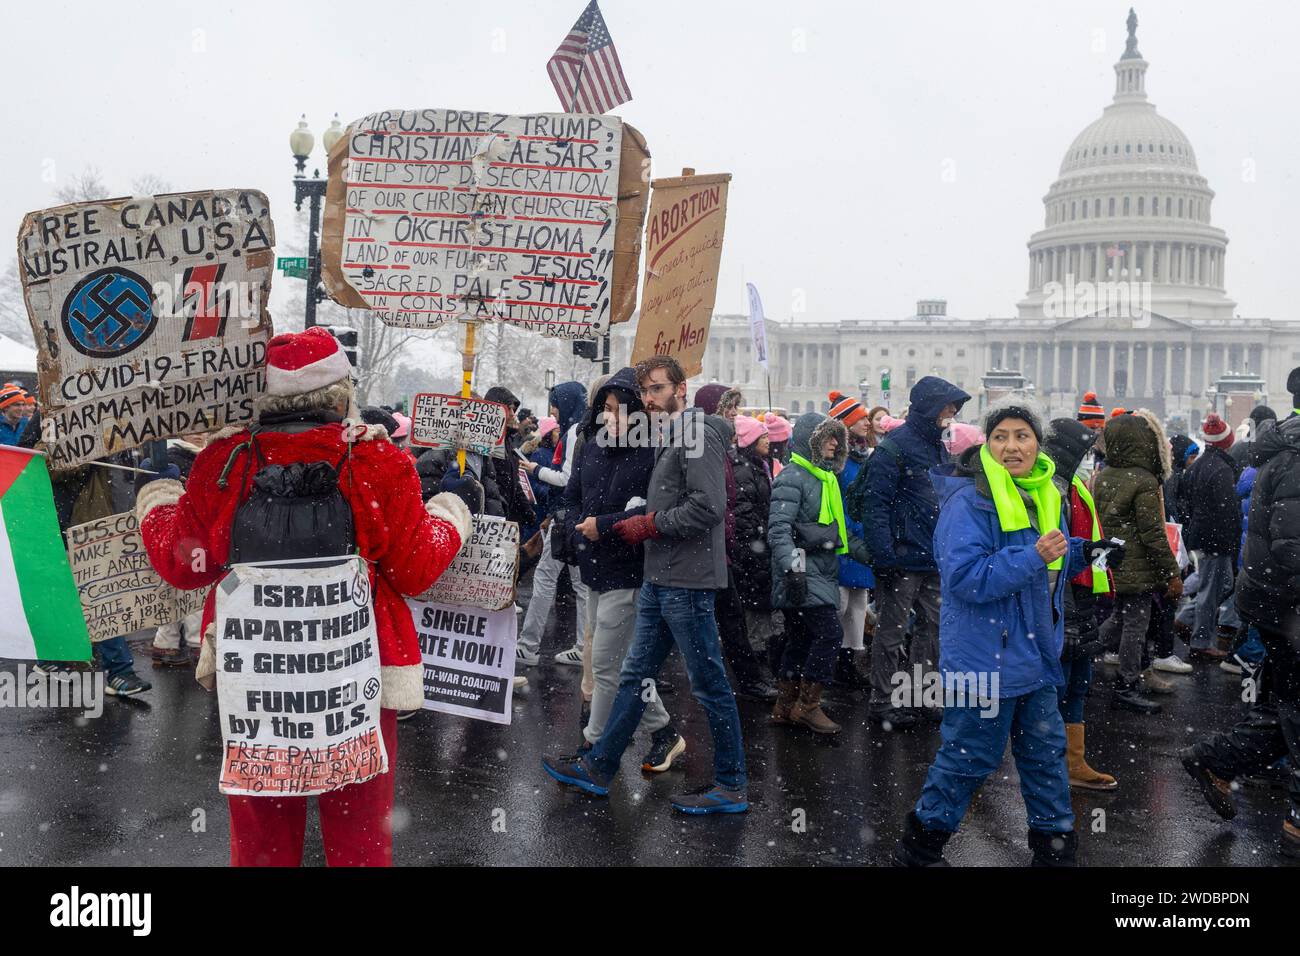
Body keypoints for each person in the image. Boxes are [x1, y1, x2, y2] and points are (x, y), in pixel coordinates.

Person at [136, 326, 472, 866]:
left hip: (255, 674)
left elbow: (182, 563)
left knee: (263, 830)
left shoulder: (225, 462)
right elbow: (414, 570)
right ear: (341, 393)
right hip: (358, 668)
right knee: (359, 826)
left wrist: (156, 502)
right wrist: (451, 517)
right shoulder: (377, 462)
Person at [542, 355, 748, 815]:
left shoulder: (697, 432)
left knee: (709, 682)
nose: (651, 399)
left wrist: (646, 525)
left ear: (681, 387)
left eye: (658, 389)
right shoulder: (667, 435)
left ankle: (732, 784)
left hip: (688, 580)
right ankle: (599, 766)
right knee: (634, 676)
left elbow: (708, 507)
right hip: (659, 575)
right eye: (647, 390)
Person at [893, 403, 1096, 867]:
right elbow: (965, 578)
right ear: (988, 444)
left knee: (1046, 758)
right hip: (984, 659)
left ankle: (1055, 850)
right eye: (1000, 436)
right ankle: (920, 849)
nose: (1011, 446)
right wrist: (1033, 557)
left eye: (1022, 435)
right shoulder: (969, 501)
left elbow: (1055, 555)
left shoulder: (1044, 493)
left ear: (1037, 444)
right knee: (969, 759)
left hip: (1037, 654)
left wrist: (1089, 553)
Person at [1181, 413, 1300, 859]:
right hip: (1287, 605)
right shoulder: (1295, 458)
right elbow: (1293, 547)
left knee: (1285, 707)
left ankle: (1216, 758)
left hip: (1278, 602)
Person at [561, 366, 683, 768]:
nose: (612, 418)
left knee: (604, 666)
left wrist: (606, 527)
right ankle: (664, 731)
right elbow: (574, 494)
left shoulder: (653, 451)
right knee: (623, 665)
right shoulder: (590, 445)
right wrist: (579, 534)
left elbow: (655, 512)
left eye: (621, 410)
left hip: (629, 571)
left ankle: (593, 747)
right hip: (593, 566)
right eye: (607, 409)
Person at [849, 375, 971, 730]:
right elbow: (875, 505)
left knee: (932, 630)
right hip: (902, 558)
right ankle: (883, 700)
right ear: (930, 407)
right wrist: (883, 554)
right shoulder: (894, 448)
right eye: (947, 406)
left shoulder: (935, 445)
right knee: (891, 631)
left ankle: (922, 696)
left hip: (930, 555)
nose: (951, 413)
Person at [768, 411, 872, 734]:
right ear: (809, 441)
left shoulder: (825, 478)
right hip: (803, 575)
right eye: (827, 437)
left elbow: (837, 532)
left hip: (818, 573)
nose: (833, 443)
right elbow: (778, 531)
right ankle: (808, 706)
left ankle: (785, 706)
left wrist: (874, 556)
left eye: (836, 438)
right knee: (829, 634)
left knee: (800, 639)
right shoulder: (793, 476)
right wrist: (793, 568)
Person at [1043, 418, 1120, 791]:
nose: (1090, 456)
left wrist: (1100, 555)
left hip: (1082, 595)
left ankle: (1072, 762)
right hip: (1064, 598)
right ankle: (1046, 762)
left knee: (1078, 683)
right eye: (1084, 449)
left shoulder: (1070, 483)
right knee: (1054, 687)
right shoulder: (1051, 489)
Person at [1094, 409, 1181, 713]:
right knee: (1135, 626)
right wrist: (1172, 573)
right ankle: (1126, 684)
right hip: (1138, 565)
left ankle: (1079, 655)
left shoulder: (1103, 475)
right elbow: (1153, 533)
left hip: (1113, 562)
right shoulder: (1143, 480)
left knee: (1118, 618)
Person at [516, 381, 589, 667]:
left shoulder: (573, 432)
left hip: (565, 517)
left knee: (545, 579)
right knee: (581, 585)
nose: (553, 411)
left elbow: (567, 479)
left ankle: (528, 646)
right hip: (578, 516)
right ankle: (583, 646)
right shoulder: (585, 428)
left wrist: (536, 470)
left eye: (555, 403)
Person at [1181, 412, 1242, 662]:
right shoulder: (1221, 470)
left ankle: (1186, 619)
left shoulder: (1198, 466)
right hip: (1217, 538)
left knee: (1221, 584)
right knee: (1212, 589)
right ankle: (1200, 641)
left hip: (1203, 534)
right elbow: (1229, 510)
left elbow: (1187, 501)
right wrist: (1232, 540)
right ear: (1226, 441)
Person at [829, 390, 875, 689]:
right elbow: (837, 501)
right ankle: (832, 660)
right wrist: (850, 529)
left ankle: (850, 660)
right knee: (841, 603)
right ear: (846, 424)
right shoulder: (839, 461)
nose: (868, 424)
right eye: (861, 419)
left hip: (861, 537)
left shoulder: (864, 456)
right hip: (845, 538)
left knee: (858, 603)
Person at [730, 415, 778, 664]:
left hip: (757, 545)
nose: (768, 440)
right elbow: (744, 511)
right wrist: (758, 537)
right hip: (751, 548)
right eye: (763, 437)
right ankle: (754, 655)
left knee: (757, 602)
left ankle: (757, 651)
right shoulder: (743, 469)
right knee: (753, 604)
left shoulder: (758, 465)